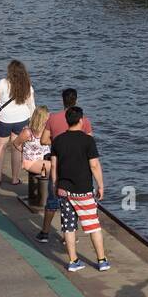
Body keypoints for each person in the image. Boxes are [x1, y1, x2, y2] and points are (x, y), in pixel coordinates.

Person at [49, 106, 109, 273]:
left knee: (68, 227)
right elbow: (94, 165)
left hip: (64, 190)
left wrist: (55, 184)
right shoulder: (88, 141)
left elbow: (54, 165)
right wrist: (101, 185)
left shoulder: (58, 141)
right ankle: (102, 260)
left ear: (67, 121)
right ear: (81, 120)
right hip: (83, 190)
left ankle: (73, 261)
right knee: (93, 225)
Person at [37, 88, 94, 243]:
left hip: (58, 163)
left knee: (53, 200)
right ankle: (70, 236)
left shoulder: (53, 118)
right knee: (72, 203)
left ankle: (45, 232)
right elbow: (90, 142)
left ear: (62, 100)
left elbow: (43, 140)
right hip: (77, 168)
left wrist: (58, 144)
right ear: (76, 100)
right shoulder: (84, 120)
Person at [0, 60, 35, 185]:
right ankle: (14, 179)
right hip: (21, 119)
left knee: (0, 147)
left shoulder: (3, 83)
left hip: (5, 119)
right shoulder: (28, 86)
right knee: (17, 148)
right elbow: (31, 105)